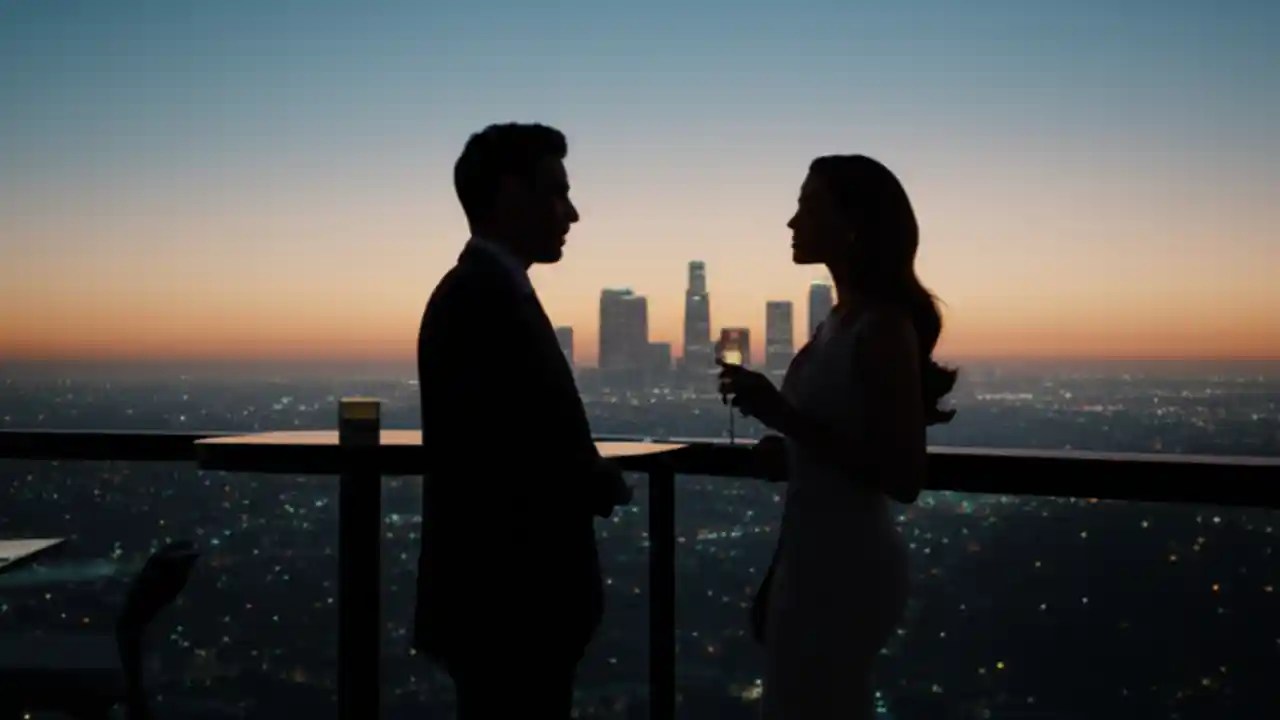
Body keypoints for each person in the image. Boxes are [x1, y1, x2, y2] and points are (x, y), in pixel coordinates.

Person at [718, 154, 958, 719]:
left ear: (852, 224)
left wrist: (785, 419)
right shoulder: (841, 321)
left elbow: (903, 477)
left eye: (807, 205)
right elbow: (843, 438)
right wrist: (793, 446)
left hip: (846, 568)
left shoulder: (880, 328)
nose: (792, 222)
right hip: (811, 559)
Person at [414, 122, 632, 718]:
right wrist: (589, 479)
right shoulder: (482, 298)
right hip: (509, 604)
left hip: (501, 604)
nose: (573, 213)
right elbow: (503, 455)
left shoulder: (481, 292)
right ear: (512, 196)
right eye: (557, 192)